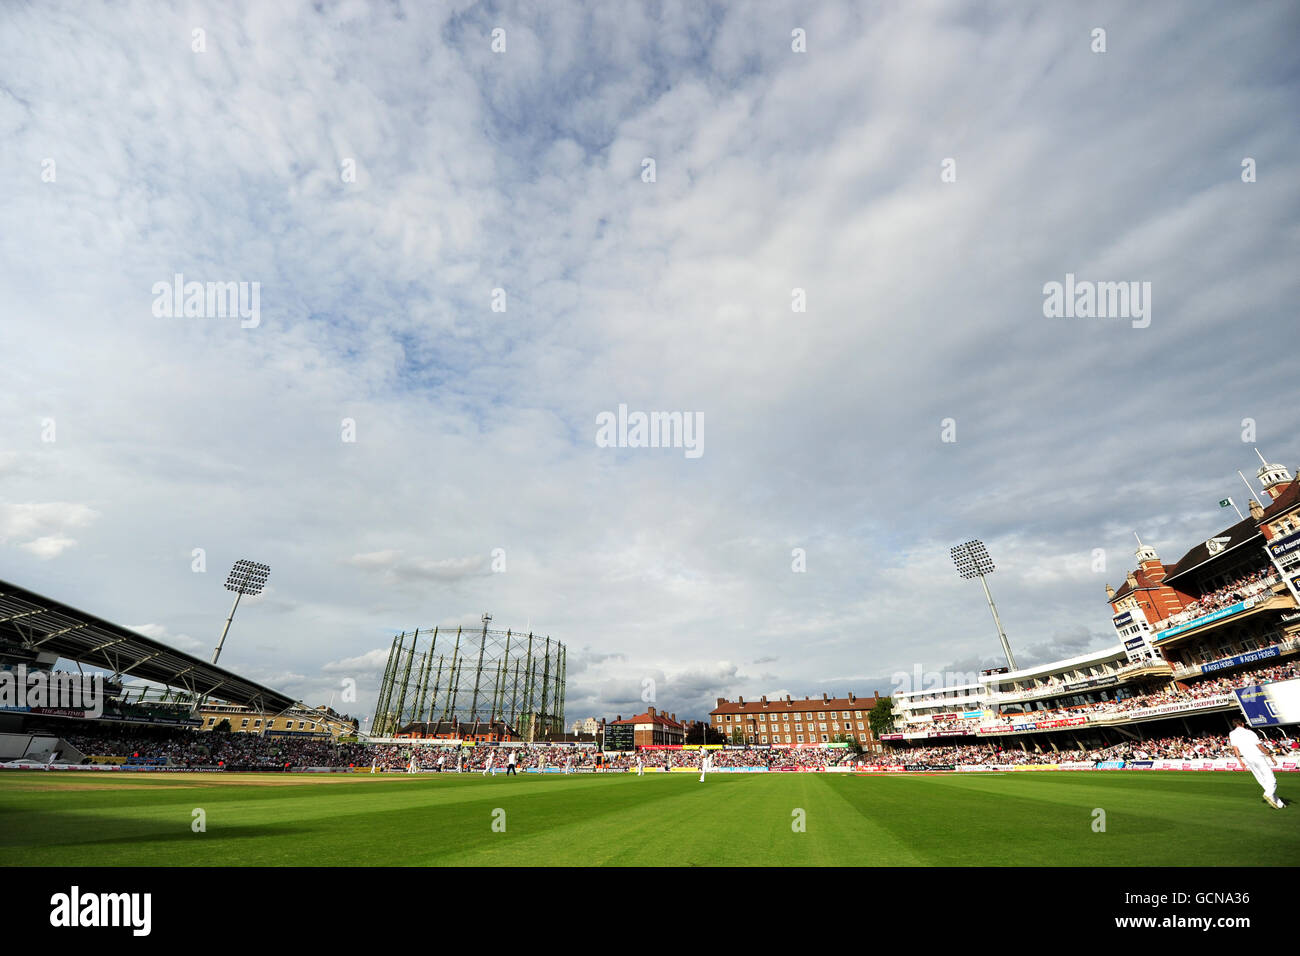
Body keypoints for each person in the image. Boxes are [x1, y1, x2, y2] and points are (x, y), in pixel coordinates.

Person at [1228, 717, 1285, 809]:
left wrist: (1240, 760)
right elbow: (1259, 746)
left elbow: (1235, 748)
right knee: (1272, 780)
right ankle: (1268, 794)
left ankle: (1278, 803)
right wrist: (1270, 756)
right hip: (1258, 757)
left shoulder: (1232, 734)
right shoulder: (1249, 732)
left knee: (1263, 781)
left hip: (1248, 759)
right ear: (1242, 724)